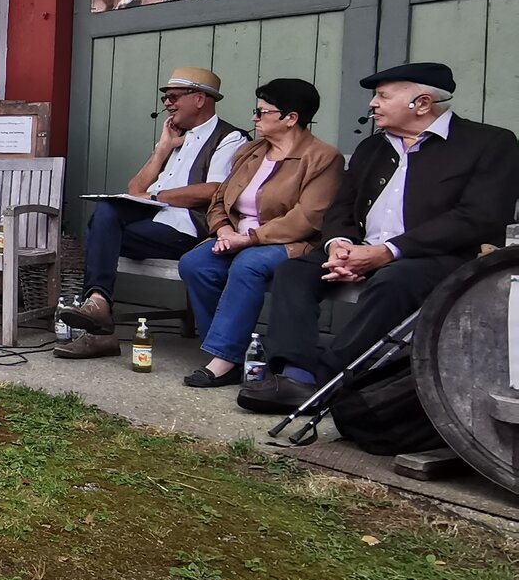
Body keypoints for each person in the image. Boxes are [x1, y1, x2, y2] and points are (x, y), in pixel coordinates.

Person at [239, 62, 519, 414]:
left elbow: (479, 217)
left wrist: (388, 251)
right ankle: (291, 373)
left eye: (383, 96)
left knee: (394, 281)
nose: (373, 103)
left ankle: (322, 382)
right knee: (293, 272)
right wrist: (339, 244)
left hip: (441, 257)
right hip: (364, 250)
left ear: (421, 103)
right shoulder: (373, 148)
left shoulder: (489, 143)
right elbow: (341, 207)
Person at [55, 67, 246, 359]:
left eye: (173, 97)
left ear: (199, 98)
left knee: (101, 232)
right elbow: (134, 189)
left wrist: (158, 196)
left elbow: (216, 190)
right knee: (106, 212)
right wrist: (162, 149)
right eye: (165, 98)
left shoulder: (230, 138)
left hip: (189, 232)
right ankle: (97, 304)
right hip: (154, 227)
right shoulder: (176, 138)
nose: (167, 104)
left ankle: (98, 331)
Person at [174, 79, 343, 388]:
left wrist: (249, 238)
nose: (254, 118)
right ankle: (235, 352)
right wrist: (223, 229)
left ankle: (223, 359)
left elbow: (309, 218)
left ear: (290, 118)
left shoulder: (322, 158)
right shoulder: (251, 152)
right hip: (236, 237)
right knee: (195, 263)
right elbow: (220, 199)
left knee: (248, 263)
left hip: (289, 243)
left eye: (262, 112)